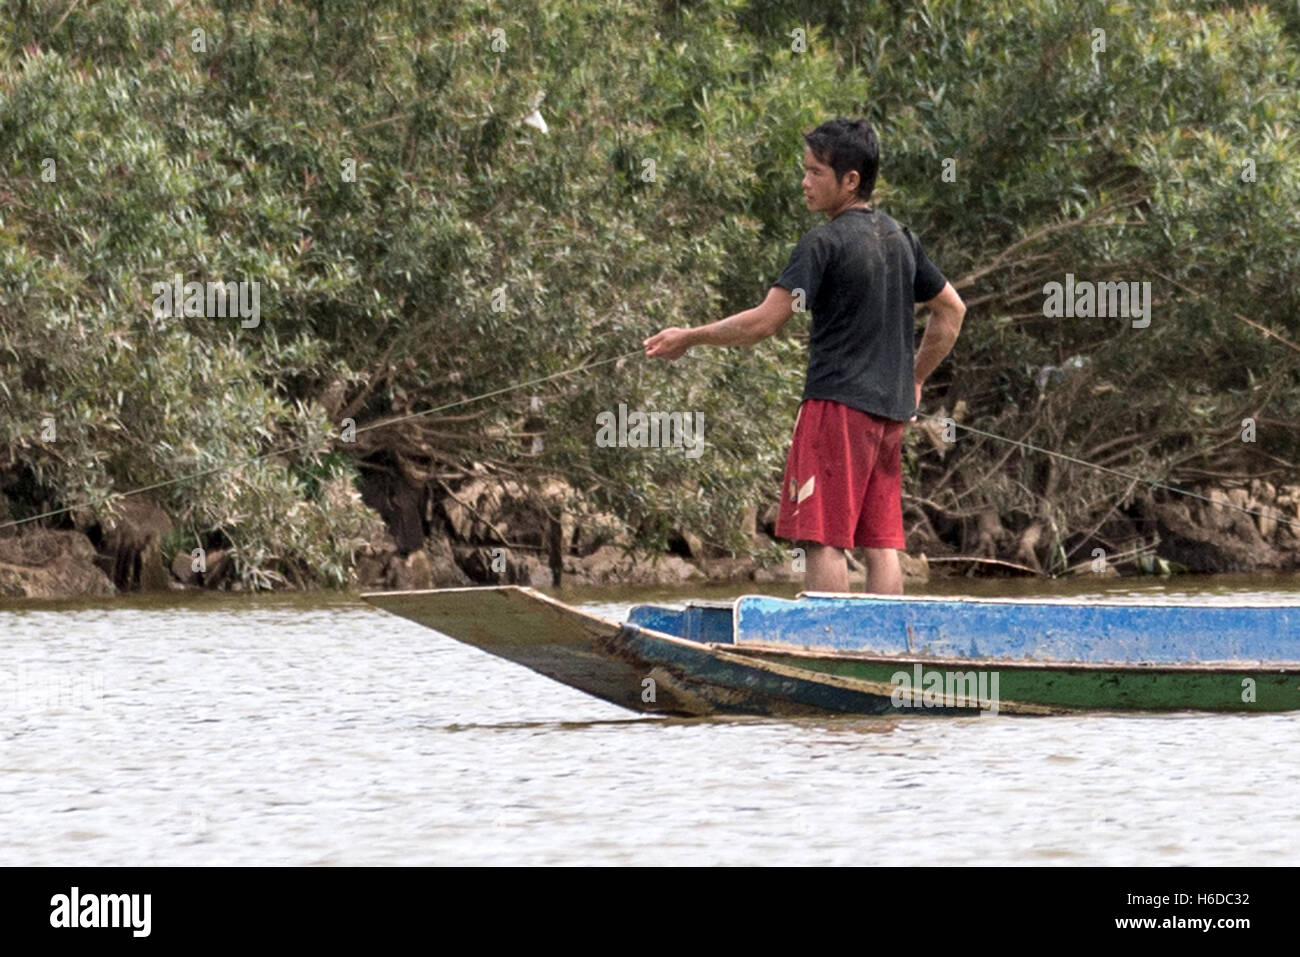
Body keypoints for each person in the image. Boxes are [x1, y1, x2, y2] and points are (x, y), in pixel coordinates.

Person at [644, 117, 966, 594]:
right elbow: (951, 310)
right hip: (890, 414)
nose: (805, 181)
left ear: (850, 180)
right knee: (881, 541)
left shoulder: (823, 243)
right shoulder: (900, 238)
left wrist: (689, 337)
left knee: (823, 537)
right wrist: (913, 379)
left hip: (835, 409)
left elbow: (765, 322)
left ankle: (829, 643)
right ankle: (886, 653)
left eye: (816, 172)